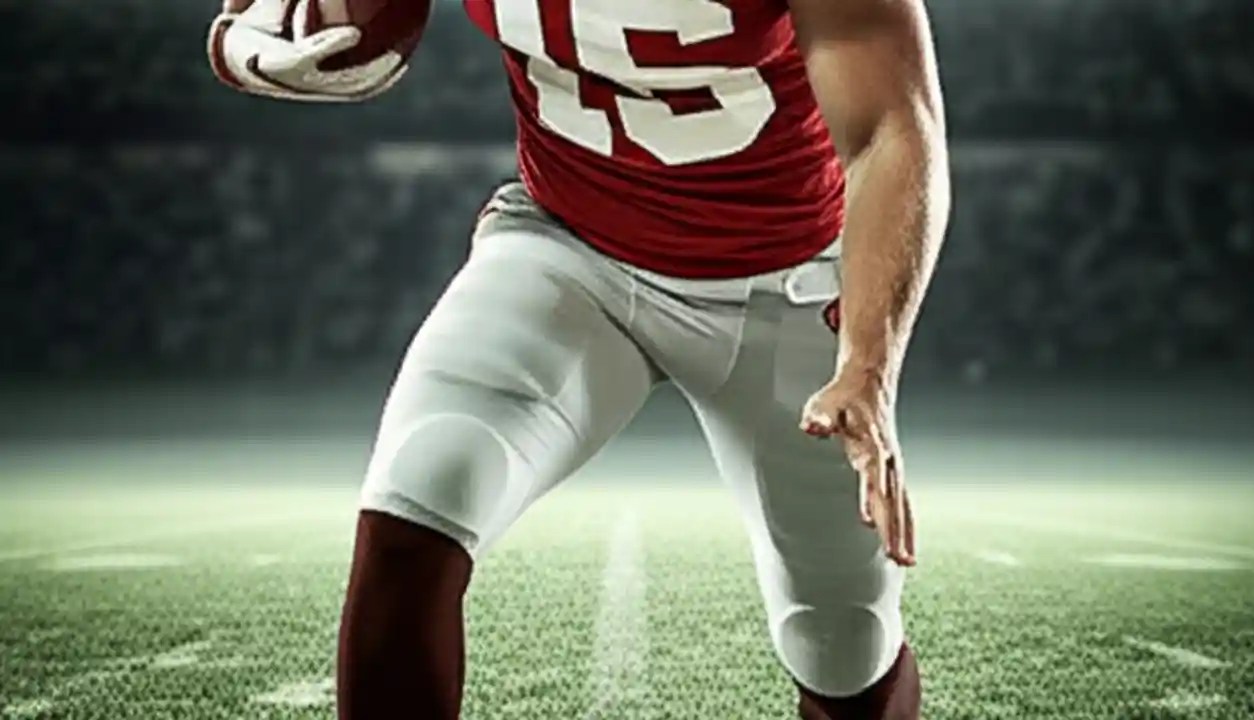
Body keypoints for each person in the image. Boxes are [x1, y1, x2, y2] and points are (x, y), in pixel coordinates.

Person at [209, 0, 950, 717]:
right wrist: (267, 32)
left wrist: (866, 363)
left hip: (784, 281)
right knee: (415, 507)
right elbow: (299, 16)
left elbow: (892, 126)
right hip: (570, 247)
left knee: (844, 644)